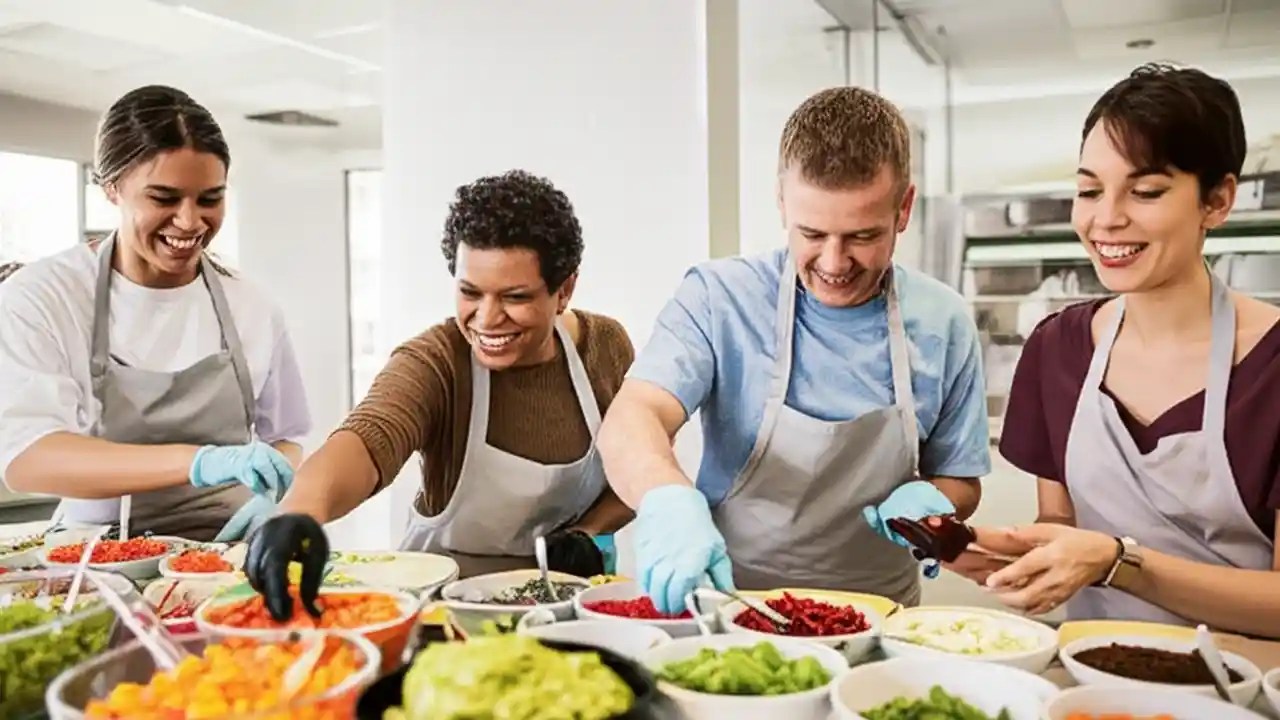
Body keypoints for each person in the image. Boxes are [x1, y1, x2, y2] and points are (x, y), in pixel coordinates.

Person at [598, 86, 992, 614]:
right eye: (811, 232)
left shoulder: (943, 320)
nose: (834, 261)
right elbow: (634, 416)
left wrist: (935, 503)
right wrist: (667, 498)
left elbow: (961, 477)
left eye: (862, 235)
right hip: (733, 602)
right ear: (782, 201)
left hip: (878, 614)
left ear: (904, 208)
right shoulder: (720, 298)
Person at [961, 64, 1280, 638]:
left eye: (1147, 191)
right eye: (1089, 190)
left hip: (1242, 691)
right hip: (1095, 677)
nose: (1105, 219)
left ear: (1218, 200)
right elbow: (1061, 527)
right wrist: (1007, 556)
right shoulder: (1057, 349)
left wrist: (1117, 562)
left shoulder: (1273, 368)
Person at [243, 170, 636, 620]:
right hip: (444, 611)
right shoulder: (438, 360)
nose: (487, 319)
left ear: (564, 290)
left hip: (563, 606)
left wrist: (590, 532)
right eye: (470, 292)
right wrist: (298, 514)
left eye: (515, 297)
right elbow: (368, 438)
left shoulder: (605, 348)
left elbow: (637, 469)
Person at [0, 85, 309, 542]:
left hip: (227, 549)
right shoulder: (44, 297)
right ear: (111, 188)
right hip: (95, 552)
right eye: (164, 198)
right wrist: (200, 462)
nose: (190, 222)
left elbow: (288, 436)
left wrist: (274, 491)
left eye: (210, 199)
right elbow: (27, 460)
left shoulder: (251, 306)